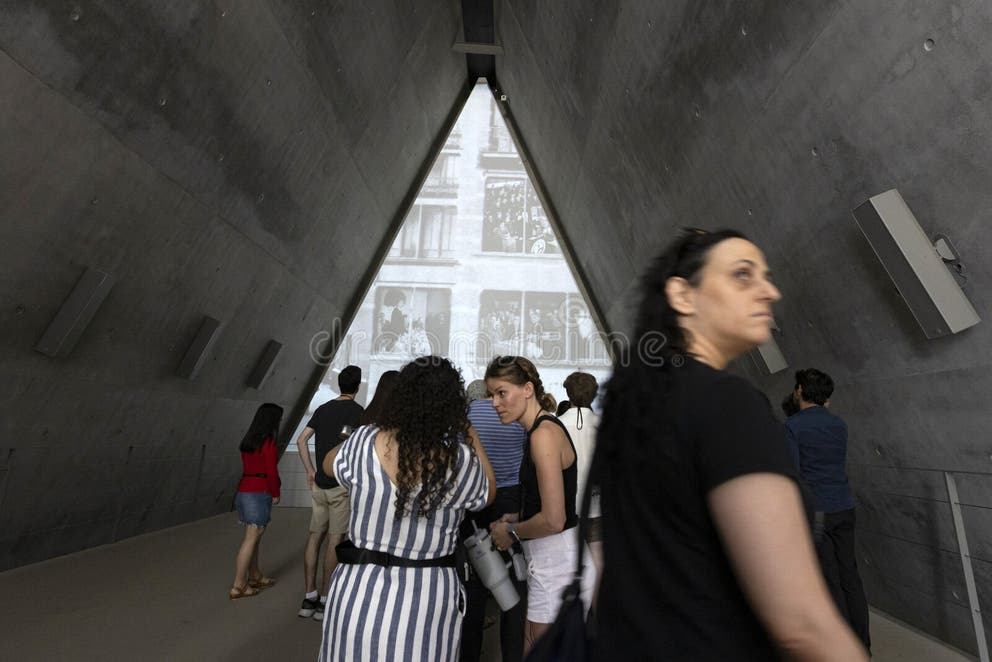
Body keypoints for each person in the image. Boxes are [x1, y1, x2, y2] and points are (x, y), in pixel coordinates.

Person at [593, 229, 868, 661]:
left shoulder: (633, 406)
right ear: (683, 295)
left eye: (766, 276)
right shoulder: (728, 403)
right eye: (743, 275)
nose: (769, 291)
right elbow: (801, 622)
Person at [318, 356, 496, 661]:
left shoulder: (363, 442)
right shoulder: (461, 461)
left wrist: (378, 429)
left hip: (358, 593)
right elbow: (487, 494)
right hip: (427, 598)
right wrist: (470, 433)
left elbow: (328, 464)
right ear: (451, 407)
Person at [486, 356, 596, 655]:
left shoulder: (543, 435)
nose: (495, 403)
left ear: (528, 389)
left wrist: (511, 531)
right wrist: (518, 515)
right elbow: (550, 505)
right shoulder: (539, 430)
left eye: (501, 393)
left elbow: (554, 519)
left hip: (557, 565)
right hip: (553, 563)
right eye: (491, 395)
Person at [787, 368, 871, 652]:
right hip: (845, 506)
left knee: (829, 579)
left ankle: (842, 649)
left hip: (819, 510)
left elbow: (794, 473)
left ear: (799, 390)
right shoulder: (839, 425)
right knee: (850, 575)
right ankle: (863, 645)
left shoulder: (794, 426)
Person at [459, 379, 528, 662]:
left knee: (472, 583)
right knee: (513, 581)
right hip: (510, 501)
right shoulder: (514, 414)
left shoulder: (468, 415)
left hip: (476, 501)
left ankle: (469, 654)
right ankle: (512, 654)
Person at [294, 365, 364, 621]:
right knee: (335, 540)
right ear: (357, 386)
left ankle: (308, 595)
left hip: (319, 486)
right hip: (340, 487)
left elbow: (302, 440)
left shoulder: (322, 409)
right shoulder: (358, 413)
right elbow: (352, 447)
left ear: (339, 385)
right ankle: (324, 600)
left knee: (314, 537)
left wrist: (310, 470)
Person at [230, 403, 282, 600]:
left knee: (254, 535)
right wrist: (276, 491)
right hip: (259, 491)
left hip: (243, 490)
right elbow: (271, 470)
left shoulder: (248, 441)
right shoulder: (268, 443)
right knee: (252, 537)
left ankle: (255, 575)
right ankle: (238, 585)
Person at [557, 372, 603, 589]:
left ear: (568, 393)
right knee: (599, 572)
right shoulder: (602, 425)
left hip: (566, 510)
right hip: (597, 506)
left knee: (569, 574)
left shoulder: (555, 425)